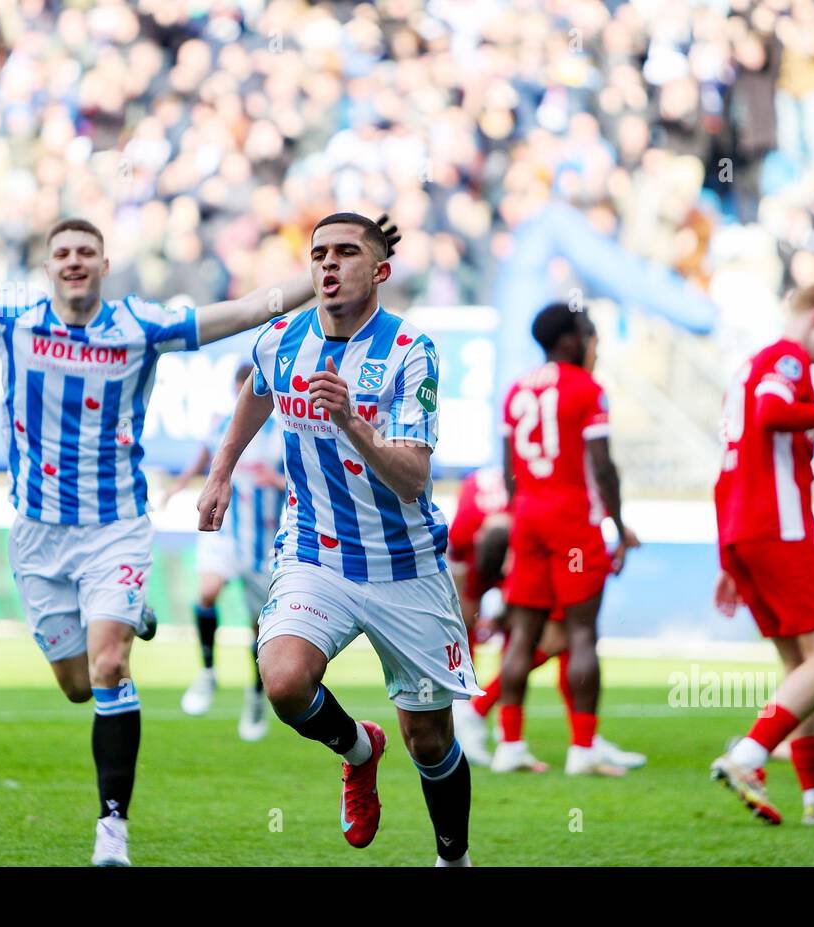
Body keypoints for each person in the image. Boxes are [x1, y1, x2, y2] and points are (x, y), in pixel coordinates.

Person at [0, 121, 327, 866]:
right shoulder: (14, 319)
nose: (74, 262)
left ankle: (111, 826)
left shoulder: (139, 327)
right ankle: (126, 614)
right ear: (49, 267)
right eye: (62, 253)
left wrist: (326, 270)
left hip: (116, 526)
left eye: (86, 252)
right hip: (39, 533)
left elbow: (244, 312)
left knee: (111, 665)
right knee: (79, 684)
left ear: (104, 265)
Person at [197, 212, 481, 867]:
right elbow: (256, 392)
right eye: (319, 252)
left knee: (430, 738)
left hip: (404, 565)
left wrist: (353, 422)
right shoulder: (280, 340)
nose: (328, 263)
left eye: (346, 252)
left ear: (378, 272)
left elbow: (413, 479)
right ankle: (358, 749)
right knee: (286, 681)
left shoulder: (412, 351)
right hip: (315, 553)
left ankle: (452, 859)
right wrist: (222, 470)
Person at [709, 283, 814, 826]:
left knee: (799, 669)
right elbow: (770, 416)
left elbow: (734, 456)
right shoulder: (785, 359)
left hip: (744, 530)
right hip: (778, 530)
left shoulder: (747, 366)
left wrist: (728, 556)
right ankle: (749, 756)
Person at [494, 303, 641, 777]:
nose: (595, 344)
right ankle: (582, 749)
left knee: (523, 634)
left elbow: (509, 472)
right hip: (572, 523)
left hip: (529, 518)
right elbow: (602, 465)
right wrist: (618, 526)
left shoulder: (517, 388)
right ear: (570, 341)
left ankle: (510, 745)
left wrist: (522, 518)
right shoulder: (587, 389)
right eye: (590, 335)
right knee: (581, 633)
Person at [447, 468, 645, 772]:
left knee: (551, 638)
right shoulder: (474, 531)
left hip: (535, 538)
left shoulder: (483, 512)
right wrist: (617, 528)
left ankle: (537, 736)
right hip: (553, 541)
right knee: (568, 636)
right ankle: (491, 717)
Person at [163, 362, 286, 741]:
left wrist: (277, 480)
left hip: (264, 542)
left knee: (259, 629)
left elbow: (304, 479)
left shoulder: (283, 429)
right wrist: (178, 485)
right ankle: (207, 672)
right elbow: (203, 458)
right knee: (207, 592)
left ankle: (255, 694)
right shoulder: (221, 424)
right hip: (222, 532)